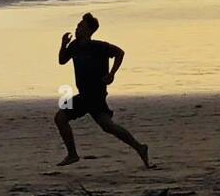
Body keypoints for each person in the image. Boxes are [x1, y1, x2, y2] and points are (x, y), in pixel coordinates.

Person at [53, 12, 150, 168]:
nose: (77, 29)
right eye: (77, 26)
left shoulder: (99, 47)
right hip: (85, 94)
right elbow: (62, 61)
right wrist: (63, 44)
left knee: (61, 117)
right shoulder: (75, 46)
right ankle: (139, 147)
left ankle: (72, 154)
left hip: (95, 94)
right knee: (107, 126)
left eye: (81, 27)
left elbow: (120, 53)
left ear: (90, 31)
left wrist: (112, 74)